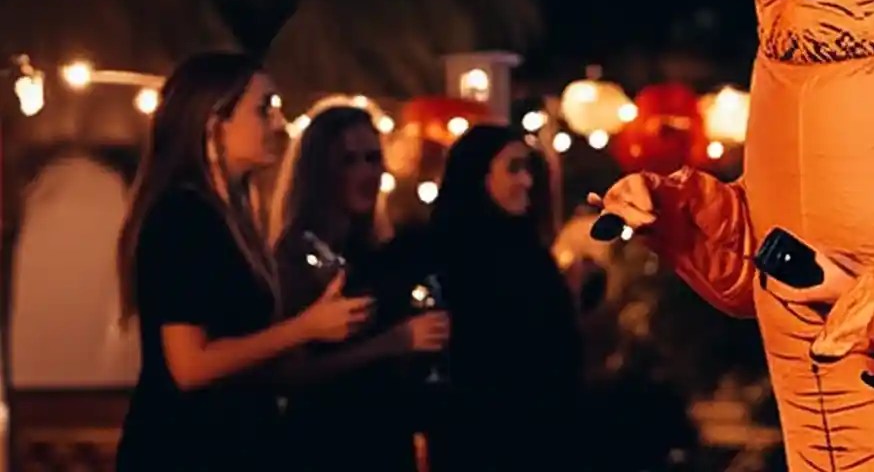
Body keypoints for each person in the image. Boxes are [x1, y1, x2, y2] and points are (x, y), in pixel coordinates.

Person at [115, 52, 373, 472]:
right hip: (185, 451)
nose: (279, 124)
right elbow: (188, 365)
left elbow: (248, 355)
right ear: (214, 123)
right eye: (264, 109)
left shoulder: (234, 215)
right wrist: (304, 327)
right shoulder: (183, 215)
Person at [385, 124, 585, 472]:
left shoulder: (531, 256)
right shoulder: (433, 253)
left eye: (528, 169)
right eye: (513, 168)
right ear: (478, 175)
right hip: (466, 440)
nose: (526, 181)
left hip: (539, 442)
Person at [270, 103, 450, 472]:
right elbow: (289, 374)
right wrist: (394, 342)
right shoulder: (298, 255)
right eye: (348, 161)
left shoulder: (373, 249)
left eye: (372, 158)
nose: (367, 173)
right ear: (319, 172)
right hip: (325, 446)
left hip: (383, 440)